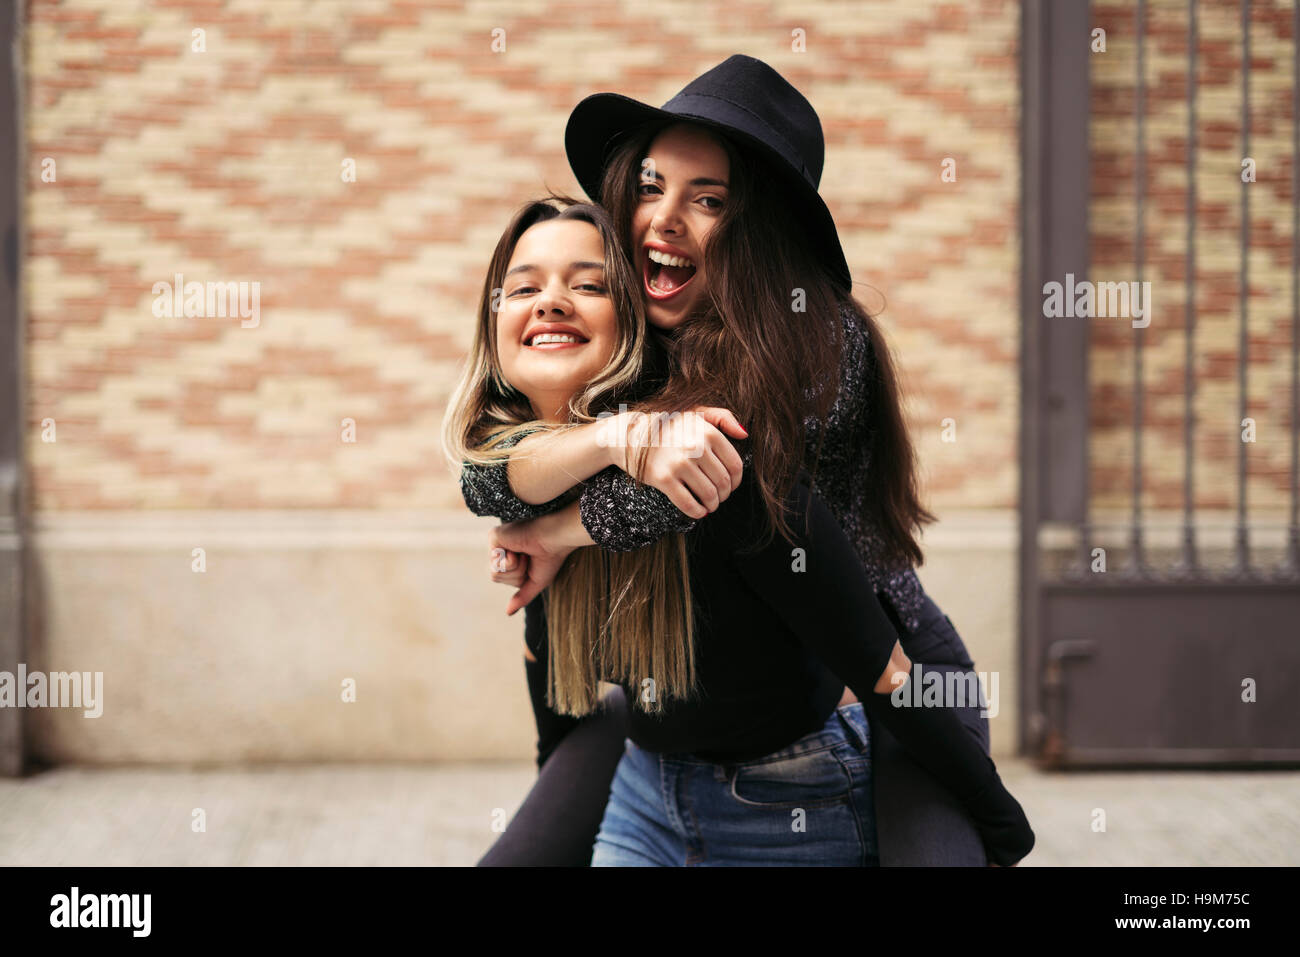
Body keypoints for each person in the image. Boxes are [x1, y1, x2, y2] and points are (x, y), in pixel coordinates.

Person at [460, 55, 1025, 866]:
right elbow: (487, 474)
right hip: (689, 728)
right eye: (650, 187)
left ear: (757, 227)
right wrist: (570, 470)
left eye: (709, 200)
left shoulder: (822, 337)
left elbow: (713, 483)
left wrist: (554, 529)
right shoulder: (625, 345)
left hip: (887, 677)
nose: (664, 218)